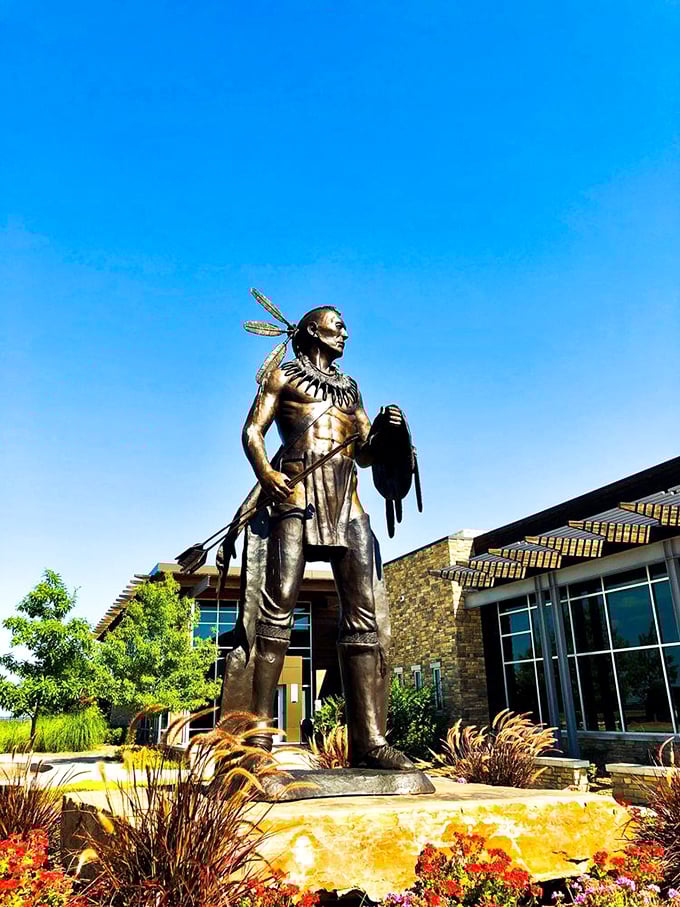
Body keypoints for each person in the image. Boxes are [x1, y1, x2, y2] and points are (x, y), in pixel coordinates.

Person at [219, 305, 413, 770]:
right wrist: (265, 472)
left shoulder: (351, 390)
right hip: (296, 495)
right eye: (336, 326)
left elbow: (364, 453)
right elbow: (252, 431)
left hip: (347, 501)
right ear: (311, 331)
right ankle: (258, 745)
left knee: (364, 615)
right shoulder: (282, 377)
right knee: (277, 608)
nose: (345, 333)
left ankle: (369, 740)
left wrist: (392, 434)